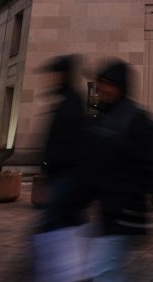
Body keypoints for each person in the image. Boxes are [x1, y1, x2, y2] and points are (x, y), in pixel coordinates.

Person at [86, 59, 153, 282]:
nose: (101, 89)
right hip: (110, 213)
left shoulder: (134, 118)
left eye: (106, 84)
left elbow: (151, 162)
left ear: (120, 86)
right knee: (114, 268)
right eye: (100, 84)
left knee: (104, 271)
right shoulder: (108, 117)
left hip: (125, 212)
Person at [40, 54, 88, 232]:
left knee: (49, 225)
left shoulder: (71, 102)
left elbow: (69, 140)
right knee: (70, 222)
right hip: (63, 176)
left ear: (63, 75)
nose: (51, 78)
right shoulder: (65, 99)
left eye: (55, 73)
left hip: (66, 176)